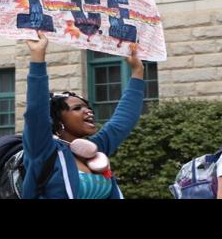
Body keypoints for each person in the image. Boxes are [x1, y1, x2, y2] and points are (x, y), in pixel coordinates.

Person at [20, 37, 148, 199]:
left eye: (87, 107)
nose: (88, 111)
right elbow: (36, 112)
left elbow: (124, 120)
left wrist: (138, 71)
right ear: (58, 121)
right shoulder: (43, 149)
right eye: (77, 108)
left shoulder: (95, 148)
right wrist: (38, 56)